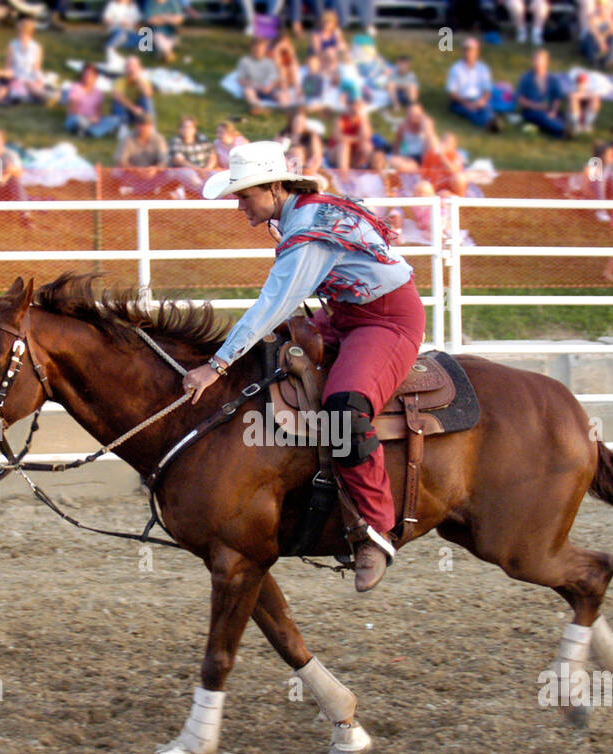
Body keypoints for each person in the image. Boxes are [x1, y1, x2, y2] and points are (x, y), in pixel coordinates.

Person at [186, 140, 426, 592]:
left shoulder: (309, 233)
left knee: (344, 409)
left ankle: (377, 531)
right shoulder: (303, 213)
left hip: (386, 320)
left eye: (244, 195)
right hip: (345, 312)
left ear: (274, 187)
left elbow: (270, 306)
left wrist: (215, 366)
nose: (240, 206)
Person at [446, 36, 500, 132]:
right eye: (466, 50)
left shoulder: (483, 68)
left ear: (476, 52)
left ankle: (491, 121)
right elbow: (452, 93)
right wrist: (466, 103)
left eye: (471, 50)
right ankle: (488, 124)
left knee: (485, 108)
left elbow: (487, 89)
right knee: (471, 111)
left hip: (478, 98)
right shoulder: (456, 69)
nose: (468, 53)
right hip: (460, 101)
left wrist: (482, 100)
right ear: (462, 51)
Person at [515, 48, 570, 139]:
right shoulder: (526, 78)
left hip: (549, 109)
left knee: (556, 117)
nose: (538, 63)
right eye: (536, 60)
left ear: (546, 61)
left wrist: (553, 111)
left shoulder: (553, 78)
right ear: (532, 61)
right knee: (542, 117)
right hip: (532, 110)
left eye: (540, 60)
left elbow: (557, 97)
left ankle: (561, 131)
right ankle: (562, 130)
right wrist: (535, 106)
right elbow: (520, 97)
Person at [237, 35, 289, 114]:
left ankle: (286, 109)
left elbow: (275, 79)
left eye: (261, 48)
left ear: (264, 49)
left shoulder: (269, 62)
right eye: (256, 48)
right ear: (252, 48)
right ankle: (256, 106)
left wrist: (270, 87)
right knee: (248, 91)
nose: (259, 51)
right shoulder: (245, 61)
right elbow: (241, 80)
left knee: (282, 94)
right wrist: (256, 86)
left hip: (267, 89)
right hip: (253, 88)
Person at [167, 114, 216, 196]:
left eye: (190, 127)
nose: (187, 130)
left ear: (194, 129)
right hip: (184, 170)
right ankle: (208, 197)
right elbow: (178, 160)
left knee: (215, 176)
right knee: (193, 179)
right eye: (184, 127)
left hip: (205, 169)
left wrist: (207, 169)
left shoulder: (202, 138)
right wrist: (198, 169)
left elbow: (212, 156)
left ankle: (224, 197)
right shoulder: (175, 141)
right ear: (180, 129)